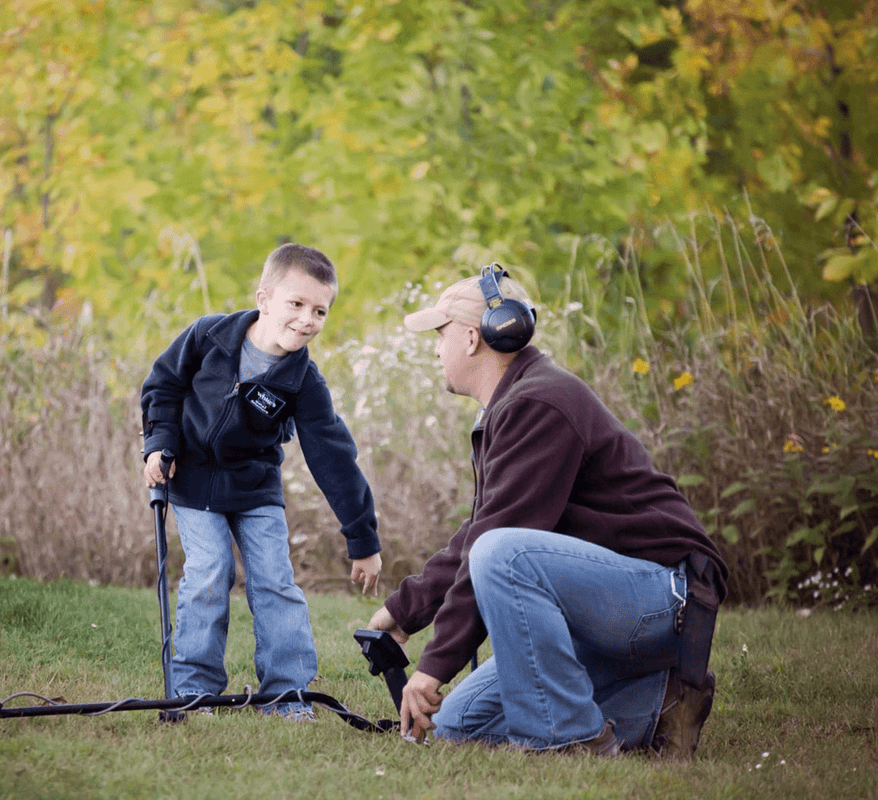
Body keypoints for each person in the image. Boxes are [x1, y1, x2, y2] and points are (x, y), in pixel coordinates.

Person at [367, 264, 727, 756]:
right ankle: (663, 700)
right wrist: (404, 611)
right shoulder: (517, 399)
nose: (435, 347)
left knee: (503, 553)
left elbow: (495, 542)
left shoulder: (541, 402)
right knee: (458, 723)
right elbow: (479, 529)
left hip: (667, 596)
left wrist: (432, 667)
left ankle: (569, 738)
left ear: (473, 339)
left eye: (441, 333)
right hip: (610, 607)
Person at [141, 242, 383, 720]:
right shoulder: (208, 335)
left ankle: (286, 695)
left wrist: (363, 536)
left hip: (256, 489)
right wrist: (159, 443)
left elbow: (333, 456)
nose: (307, 319)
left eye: (320, 310)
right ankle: (193, 692)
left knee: (276, 581)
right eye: (296, 304)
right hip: (190, 481)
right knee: (210, 573)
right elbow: (163, 385)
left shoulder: (303, 381)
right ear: (264, 298)